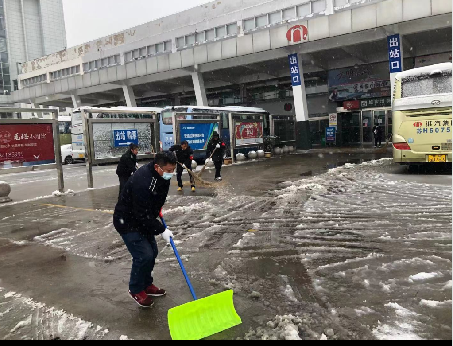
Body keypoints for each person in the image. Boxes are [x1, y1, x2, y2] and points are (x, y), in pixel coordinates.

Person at [113, 152, 176, 308]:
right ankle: (135, 289)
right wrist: (162, 230)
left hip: (143, 218)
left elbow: (156, 197)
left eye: (173, 169)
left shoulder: (161, 176)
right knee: (144, 255)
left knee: (152, 252)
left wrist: (156, 209)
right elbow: (141, 215)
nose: (171, 173)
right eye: (168, 170)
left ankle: (146, 284)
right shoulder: (144, 181)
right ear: (157, 167)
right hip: (128, 221)